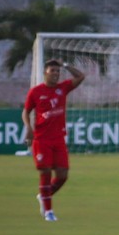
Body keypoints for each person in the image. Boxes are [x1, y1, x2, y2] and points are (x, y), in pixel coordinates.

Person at [22, 58, 85, 221]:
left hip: (58, 139)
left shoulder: (62, 88)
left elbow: (80, 76)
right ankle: (49, 212)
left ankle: (44, 195)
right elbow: (26, 111)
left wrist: (65, 64)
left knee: (63, 175)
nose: (56, 74)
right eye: (53, 71)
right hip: (41, 139)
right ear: (45, 73)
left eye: (58, 71)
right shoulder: (35, 92)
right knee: (46, 172)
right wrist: (28, 128)